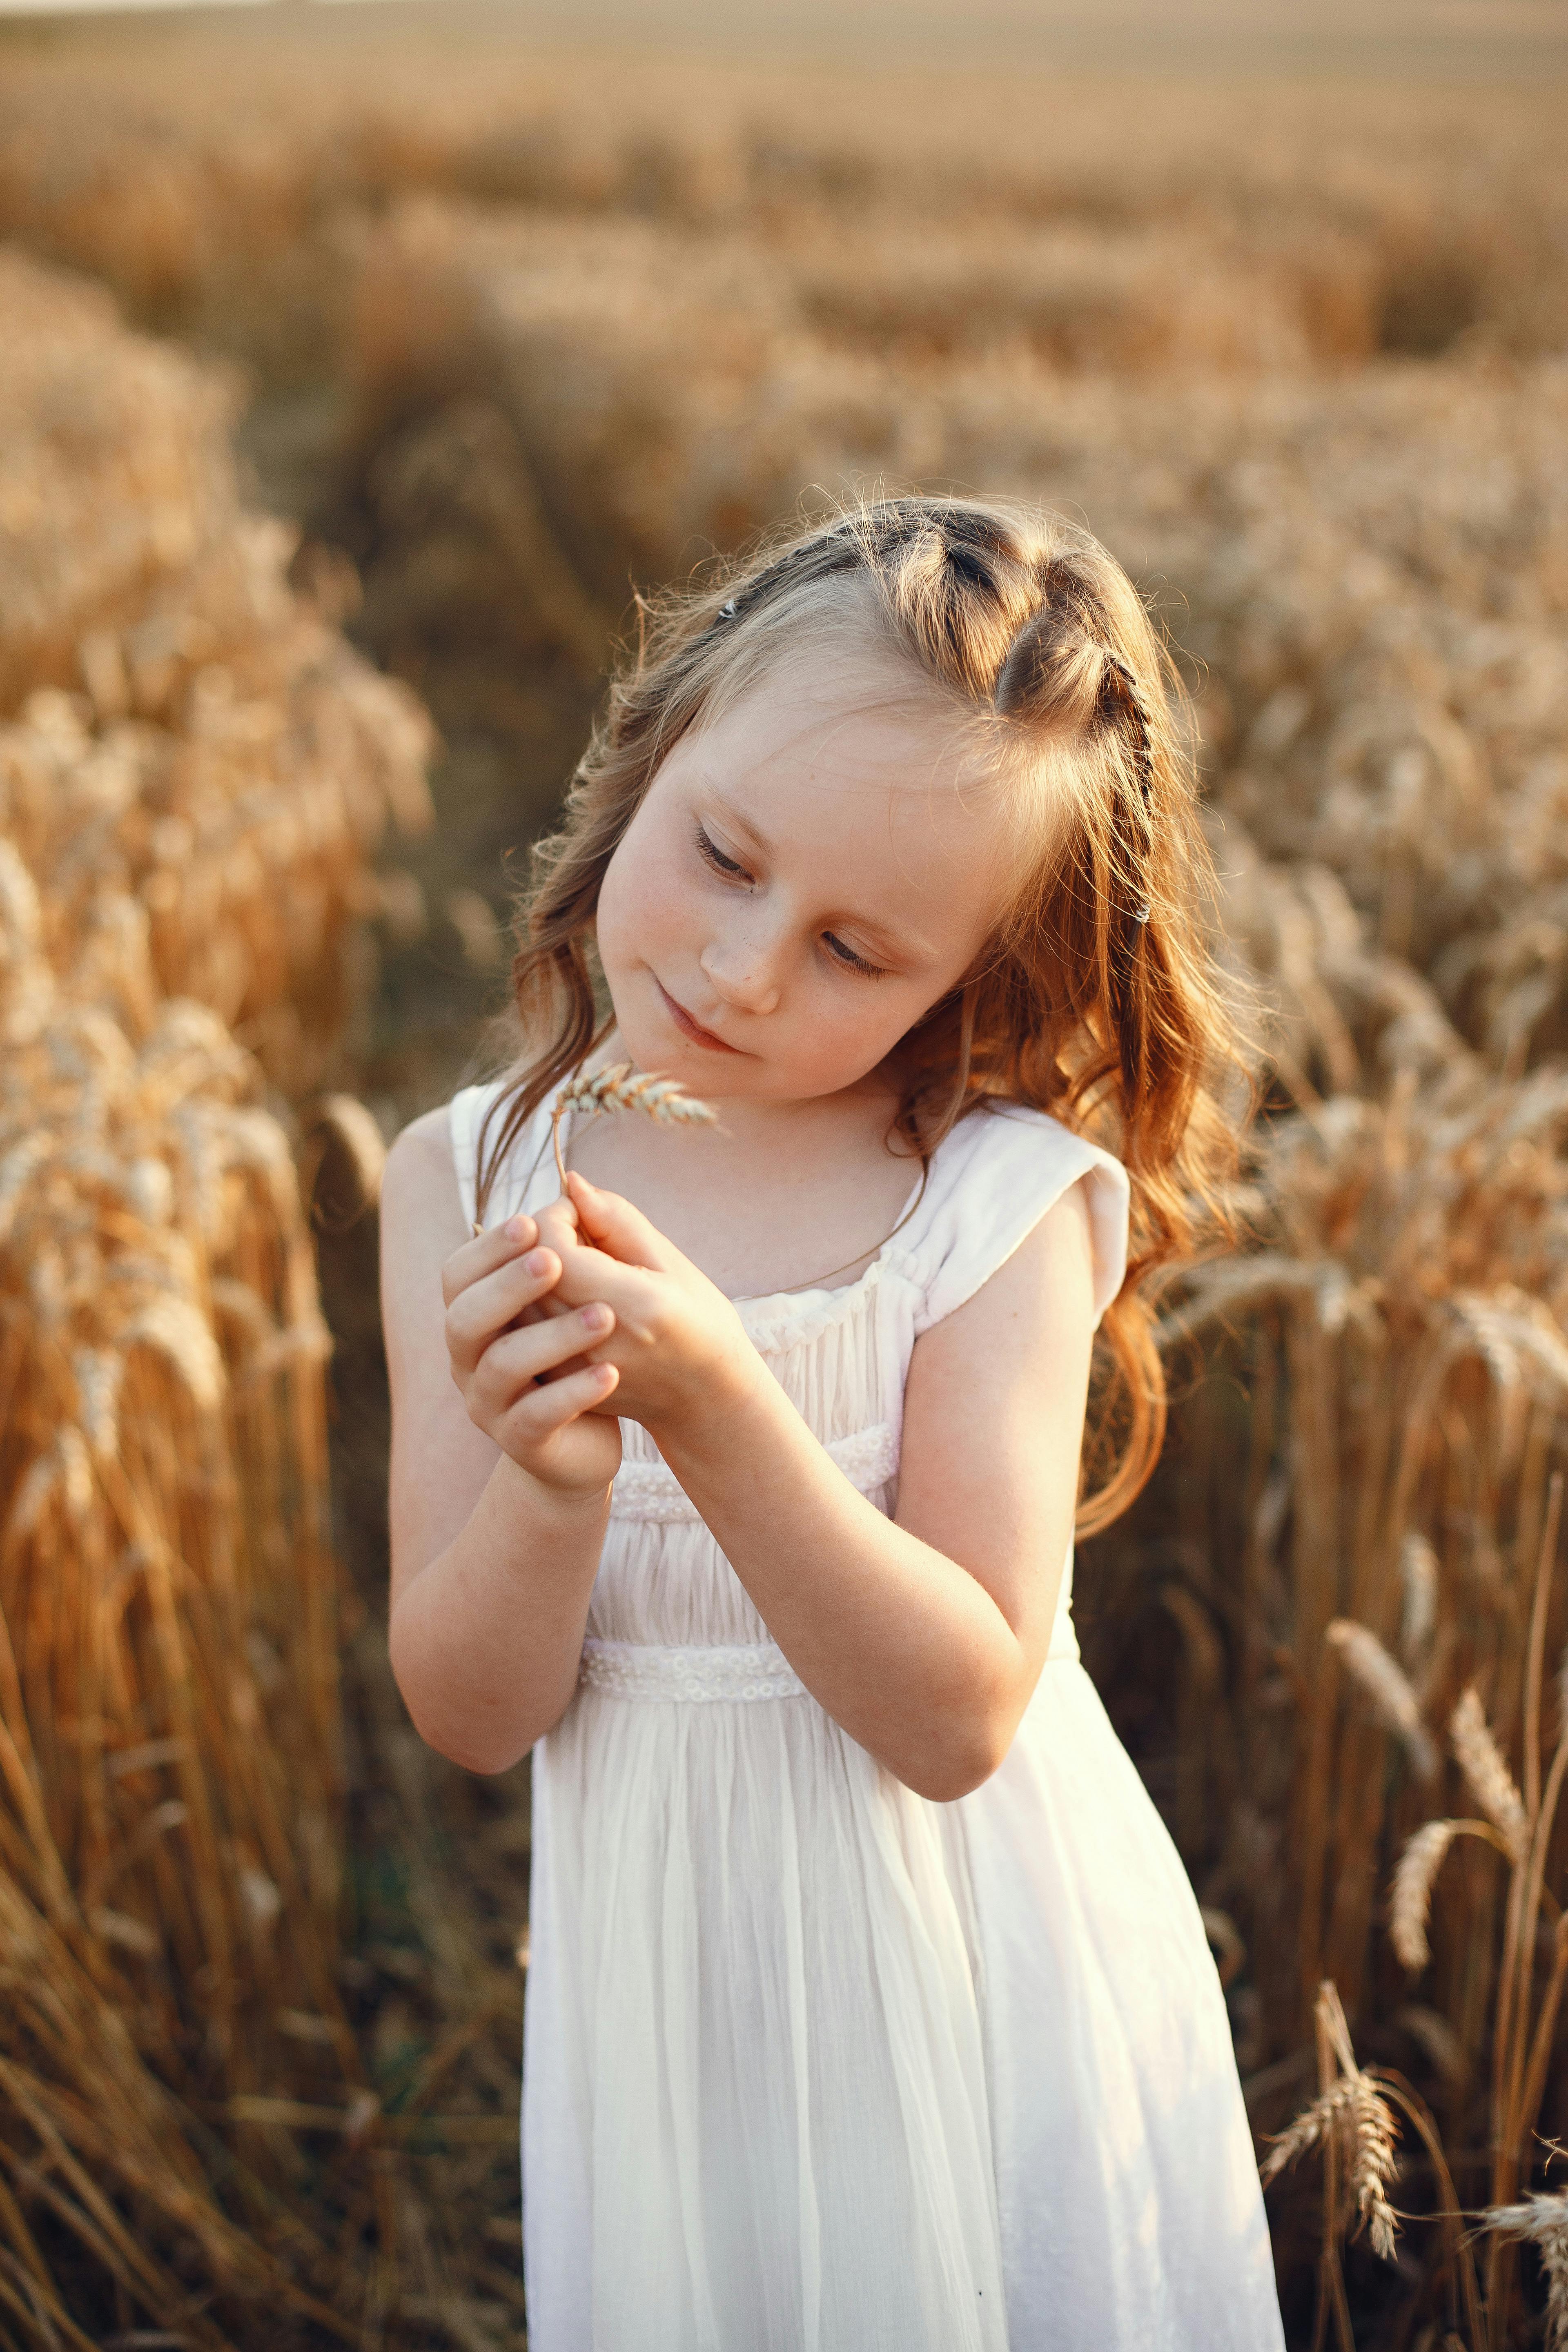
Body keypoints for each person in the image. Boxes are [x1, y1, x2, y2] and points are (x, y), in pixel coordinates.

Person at [379, 495, 1286, 2351]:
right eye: (723, 854)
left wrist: (721, 1407)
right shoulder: (465, 1181)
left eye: (859, 953)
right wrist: (551, 1488)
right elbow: (469, 1715)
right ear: (653, 749)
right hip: (670, 2015)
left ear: (975, 978)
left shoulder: (988, 1205)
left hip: (966, 1981)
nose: (746, 967)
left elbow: (958, 1720)